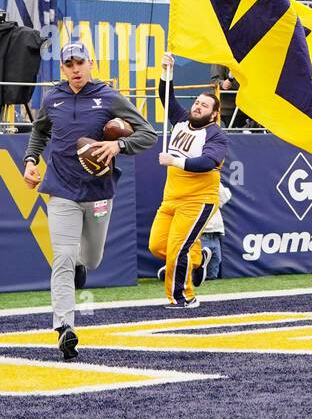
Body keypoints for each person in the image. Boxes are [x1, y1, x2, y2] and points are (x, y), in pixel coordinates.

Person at [22, 42, 157, 359]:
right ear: (62, 68)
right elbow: (40, 131)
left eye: (79, 62)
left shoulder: (108, 96)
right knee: (63, 258)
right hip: (61, 190)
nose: (75, 69)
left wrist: (118, 147)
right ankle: (64, 328)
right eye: (68, 64)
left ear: (91, 63)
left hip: (98, 192)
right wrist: (31, 160)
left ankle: (82, 266)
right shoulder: (53, 97)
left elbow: (148, 133)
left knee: (90, 260)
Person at [150, 52, 228, 307]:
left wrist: (175, 161)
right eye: (196, 102)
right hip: (171, 196)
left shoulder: (216, 135)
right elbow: (166, 96)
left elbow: (207, 162)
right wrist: (166, 71)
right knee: (157, 245)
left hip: (197, 199)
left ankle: (183, 297)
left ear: (214, 114)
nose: (197, 106)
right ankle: (197, 259)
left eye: (204, 106)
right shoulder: (183, 121)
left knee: (175, 251)